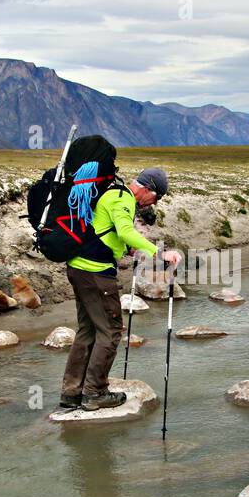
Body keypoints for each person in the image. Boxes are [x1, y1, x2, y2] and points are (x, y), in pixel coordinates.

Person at [60, 166, 181, 410]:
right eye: (156, 199)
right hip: (95, 272)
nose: (152, 205)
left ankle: (71, 392)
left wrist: (127, 249)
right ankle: (94, 392)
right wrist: (159, 253)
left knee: (88, 330)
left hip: (79, 267)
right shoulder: (122, 197)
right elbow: (126, 231)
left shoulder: (112, 193)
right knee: (112, 329)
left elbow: (107, 230)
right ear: (148, 189)